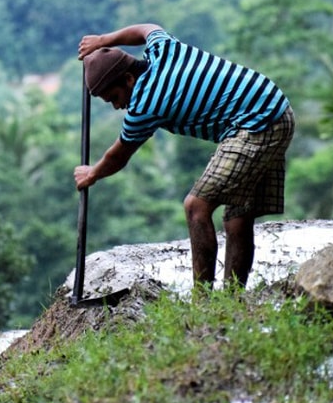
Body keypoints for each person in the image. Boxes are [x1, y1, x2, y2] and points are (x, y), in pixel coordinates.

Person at [74, 23, 294, 292]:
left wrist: (92, 173)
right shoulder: (163, 50)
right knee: (237, 217)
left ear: (129, 78)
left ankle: (202, 302)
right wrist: (103, 39)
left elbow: (119, 155)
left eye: (115, 97)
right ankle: (232, 301)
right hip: (275, 107)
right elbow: (147, 28)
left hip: (257, 124)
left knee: (196, 206)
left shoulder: (145, 104)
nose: (118, 106)